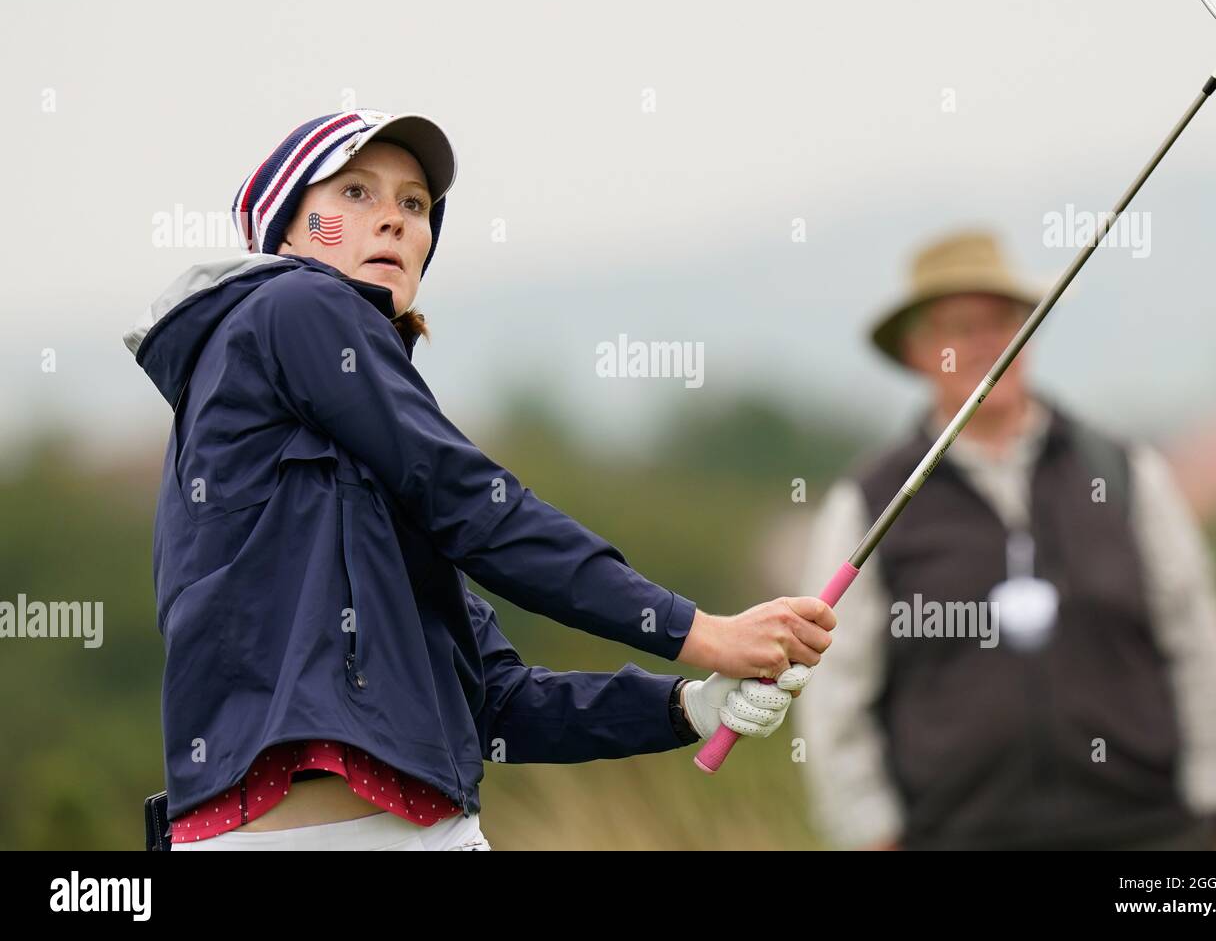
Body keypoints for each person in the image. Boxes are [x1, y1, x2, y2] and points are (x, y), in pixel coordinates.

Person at [123, 109, 833, 850]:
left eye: (414, 204)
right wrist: (699, 632)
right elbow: (475, 504)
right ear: (288, 235)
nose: (394, 221)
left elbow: (495, 700)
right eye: (356, 194)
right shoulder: (294, 301)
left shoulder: (347, 480)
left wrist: (689, 706)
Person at [793, 229, 1216, 851]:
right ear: (918, 353)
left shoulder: (1125, 473)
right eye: (960, 327)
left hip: (1151, 835)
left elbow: (1195, 639)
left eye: (1004, 321)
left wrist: (1215, 801)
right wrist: (869, 831)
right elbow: (836, 692)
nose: (988, 344)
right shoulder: (869, 504)